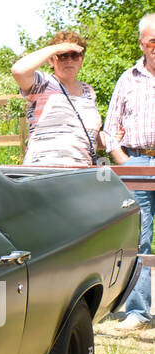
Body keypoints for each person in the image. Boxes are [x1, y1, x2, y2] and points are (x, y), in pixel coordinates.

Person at [104, 13, 155, 331]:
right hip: (136, 164)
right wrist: (126, 164)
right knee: (140, 238)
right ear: (141, 43)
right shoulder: (128, 79)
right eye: (153, 41)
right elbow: (110, 132)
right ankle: (137, 311)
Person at [12, 32, 117, 168]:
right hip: (44, 171)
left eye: (74, 55)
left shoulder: (88, 92)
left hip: (80, 172)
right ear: (51, 60)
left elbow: (88, 136)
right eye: (63, 56)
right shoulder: (42, 83)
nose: (69, 60)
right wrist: (56, 48)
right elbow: (18, 71)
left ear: (81, 59)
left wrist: (114, 138)